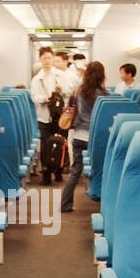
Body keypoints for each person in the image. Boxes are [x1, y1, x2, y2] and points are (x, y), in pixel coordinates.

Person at [60, 60, 107, 212]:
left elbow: (70, 108)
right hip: (96, 138)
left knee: (75, 171)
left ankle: (65, 205)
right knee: (103, 170)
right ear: (102, 76)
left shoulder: (77, 91)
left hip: (79, 135)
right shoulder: (104, 95)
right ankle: (104, 205)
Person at [30, 49, 66, 186]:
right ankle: (46, 176)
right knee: (45, 146)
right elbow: (34, 97)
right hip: (43, 117)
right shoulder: (36, 79)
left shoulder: (61, 75)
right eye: (44, 58)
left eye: (49, 58)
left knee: (59, 143)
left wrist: (62, 91)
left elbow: (69, 91)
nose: (47, 61)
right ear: (40, 59)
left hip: (59, 116)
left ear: (52, 59)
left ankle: (58, 172)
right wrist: (44, 99)